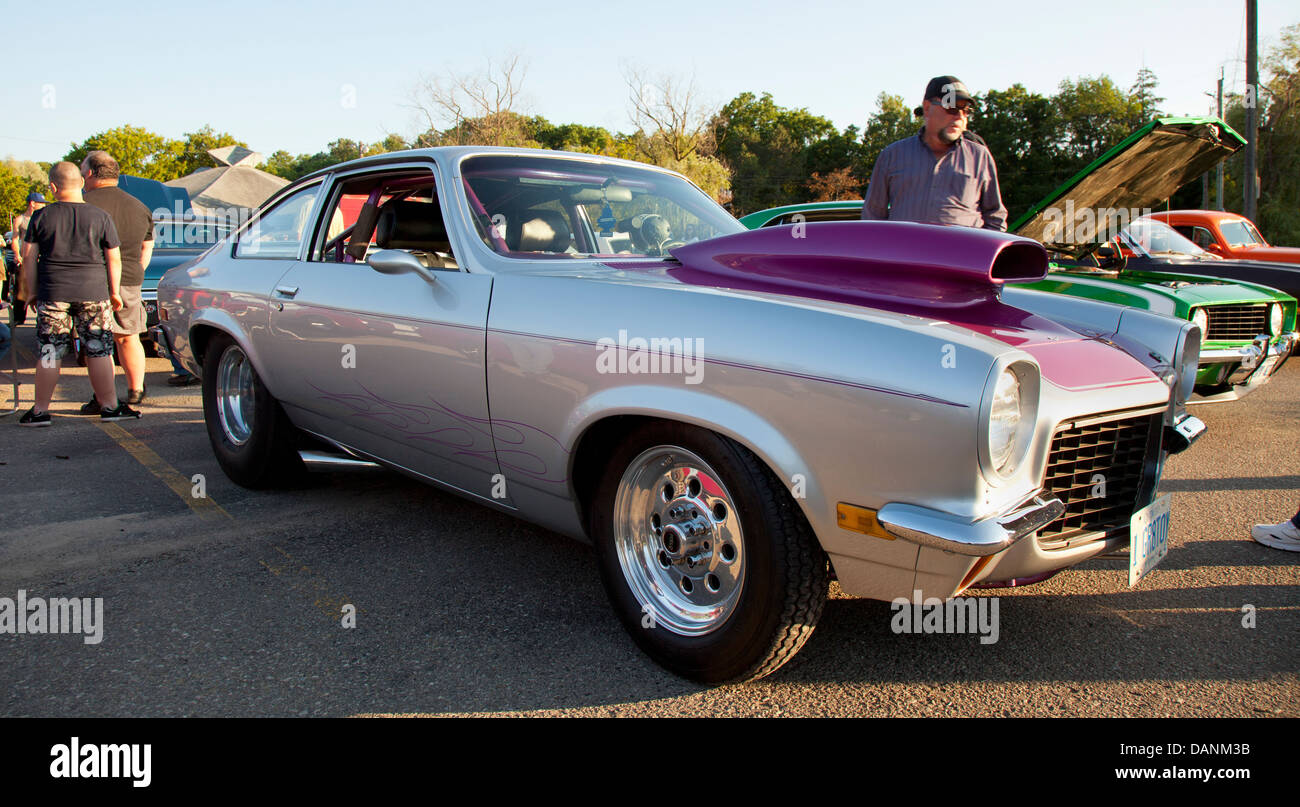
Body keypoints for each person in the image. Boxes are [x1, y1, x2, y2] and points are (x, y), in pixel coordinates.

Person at [17, 161, 141, 426]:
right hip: (94, 292)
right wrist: (115, 291)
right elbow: (114, 259)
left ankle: (40, 411)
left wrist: (31, 292)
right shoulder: (100, 217)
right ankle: (109, 407)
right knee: (98, 349)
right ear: (82, 183)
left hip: (53, 292)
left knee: (50, 350)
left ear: (52, 187)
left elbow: (29, 258)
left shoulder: (41, 217)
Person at [862, 75, 1007, 231]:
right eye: (951, 106)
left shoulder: (980, 156)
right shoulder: (892, 155)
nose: (959, 116)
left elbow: (995, 217)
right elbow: (873, 218)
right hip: (905, 254)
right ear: (927, 108)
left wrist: (982, 254)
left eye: (966, 110)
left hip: (962, 255)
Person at [81, 150, 154, 408]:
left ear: (90, 173)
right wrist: (138, 270)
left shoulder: (83, 205)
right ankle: (136, 390)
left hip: (92, 279)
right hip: (131, 279)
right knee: (129, 336)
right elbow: (148, 246)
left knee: (98, 341)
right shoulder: (139, 205)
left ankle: (103, 398)